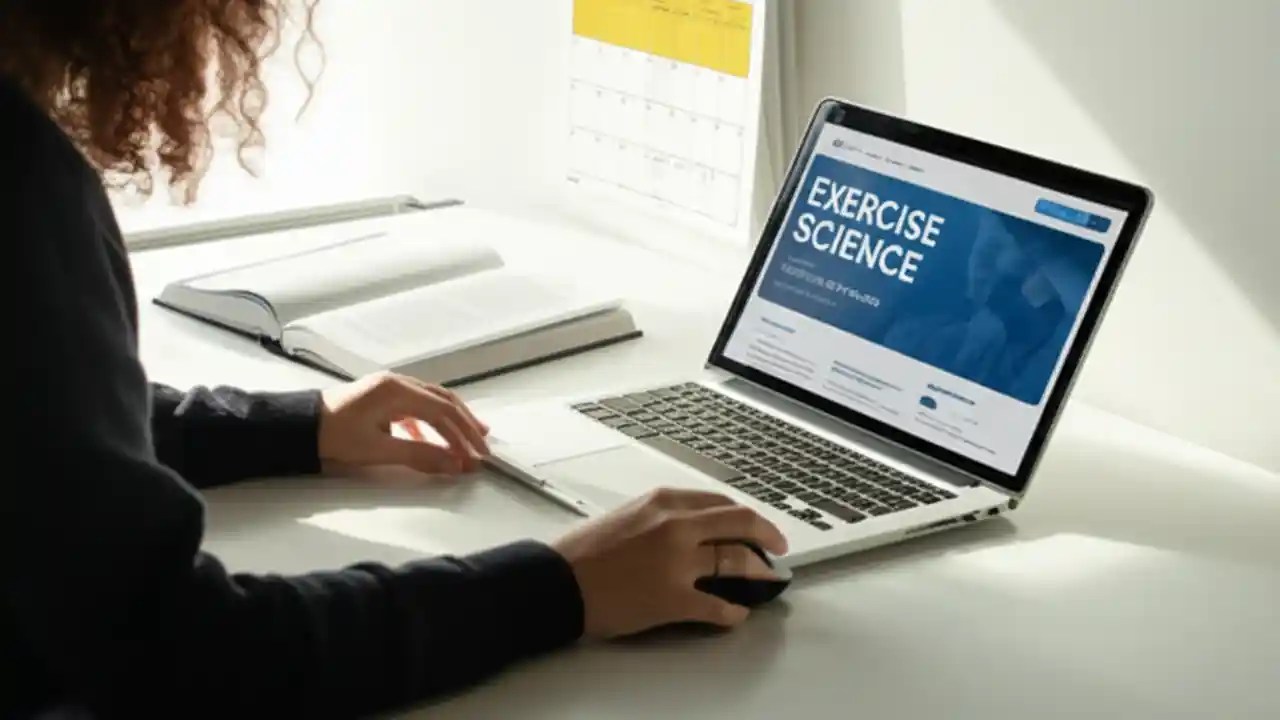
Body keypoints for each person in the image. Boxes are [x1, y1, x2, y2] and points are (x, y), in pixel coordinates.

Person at [0, 2, 786, 718]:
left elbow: (38, 432)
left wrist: (296, 426)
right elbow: (178, 656)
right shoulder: (20, 184)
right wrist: (561, 586)